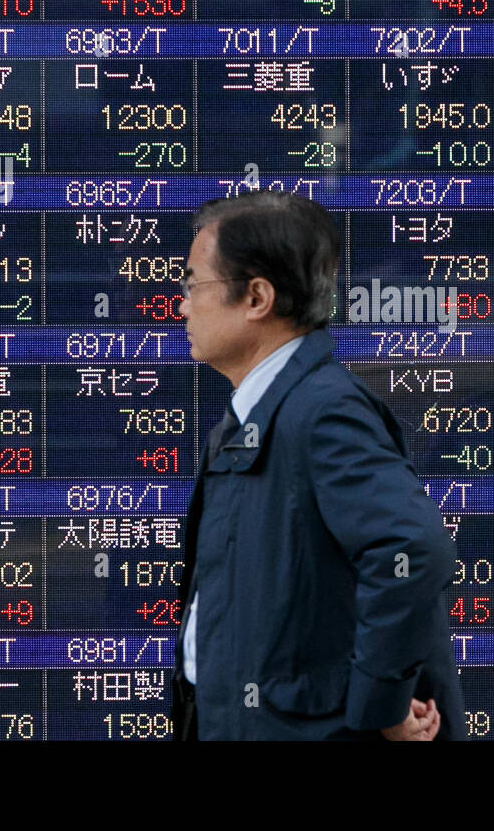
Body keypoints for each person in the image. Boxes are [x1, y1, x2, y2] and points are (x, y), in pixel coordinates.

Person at [171, 190, 465, 740]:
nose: (181, 304)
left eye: (192, 283)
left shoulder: (323, 410)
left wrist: (380, 703)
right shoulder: (261, 411)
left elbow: (413, 549)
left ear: (256, 296)